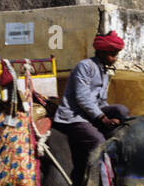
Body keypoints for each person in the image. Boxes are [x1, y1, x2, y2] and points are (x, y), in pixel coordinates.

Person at [55, 30, 131, 172]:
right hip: (75, 116)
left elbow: (102, 102)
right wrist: (103, 118)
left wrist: (110, 116)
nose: (115, 58)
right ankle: (96, 181)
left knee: (122, 110)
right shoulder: (85, 66)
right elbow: (82, 98)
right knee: (98, 142)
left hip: (93, 112)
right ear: (101, 52)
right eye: (112, 54)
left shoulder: (105, 72)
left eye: (116, 54)